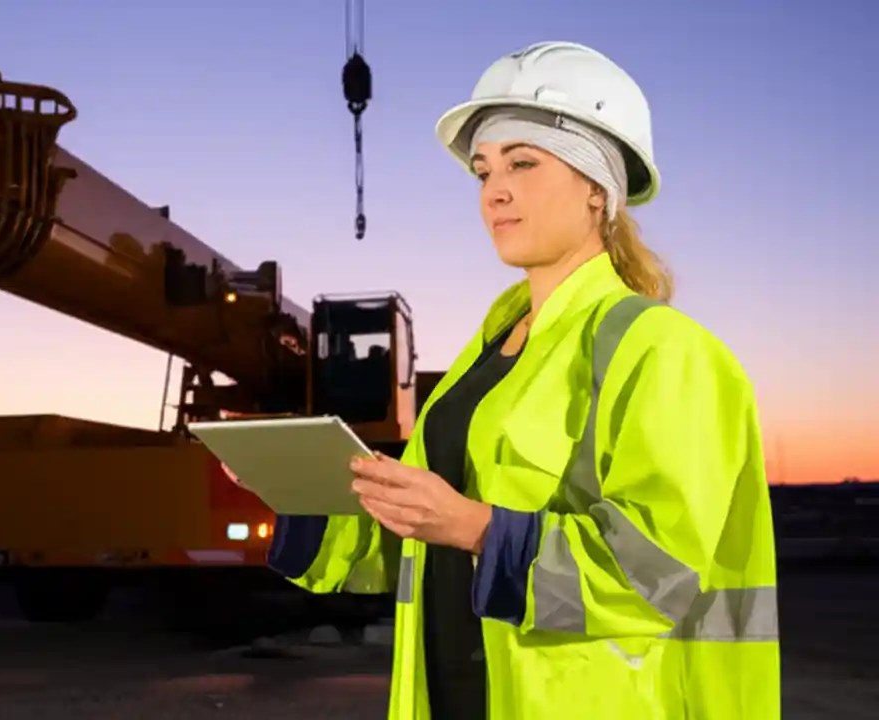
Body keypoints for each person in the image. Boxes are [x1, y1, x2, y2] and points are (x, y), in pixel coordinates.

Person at [249, 41, 781, 718]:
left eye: (523, 163)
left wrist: (476, 530)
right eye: (483, 171)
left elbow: (659, 577)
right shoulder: (486, 359)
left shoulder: (666, 351)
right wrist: (295, 486)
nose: (495, 190)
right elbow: (411, 541)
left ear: (598, 188)